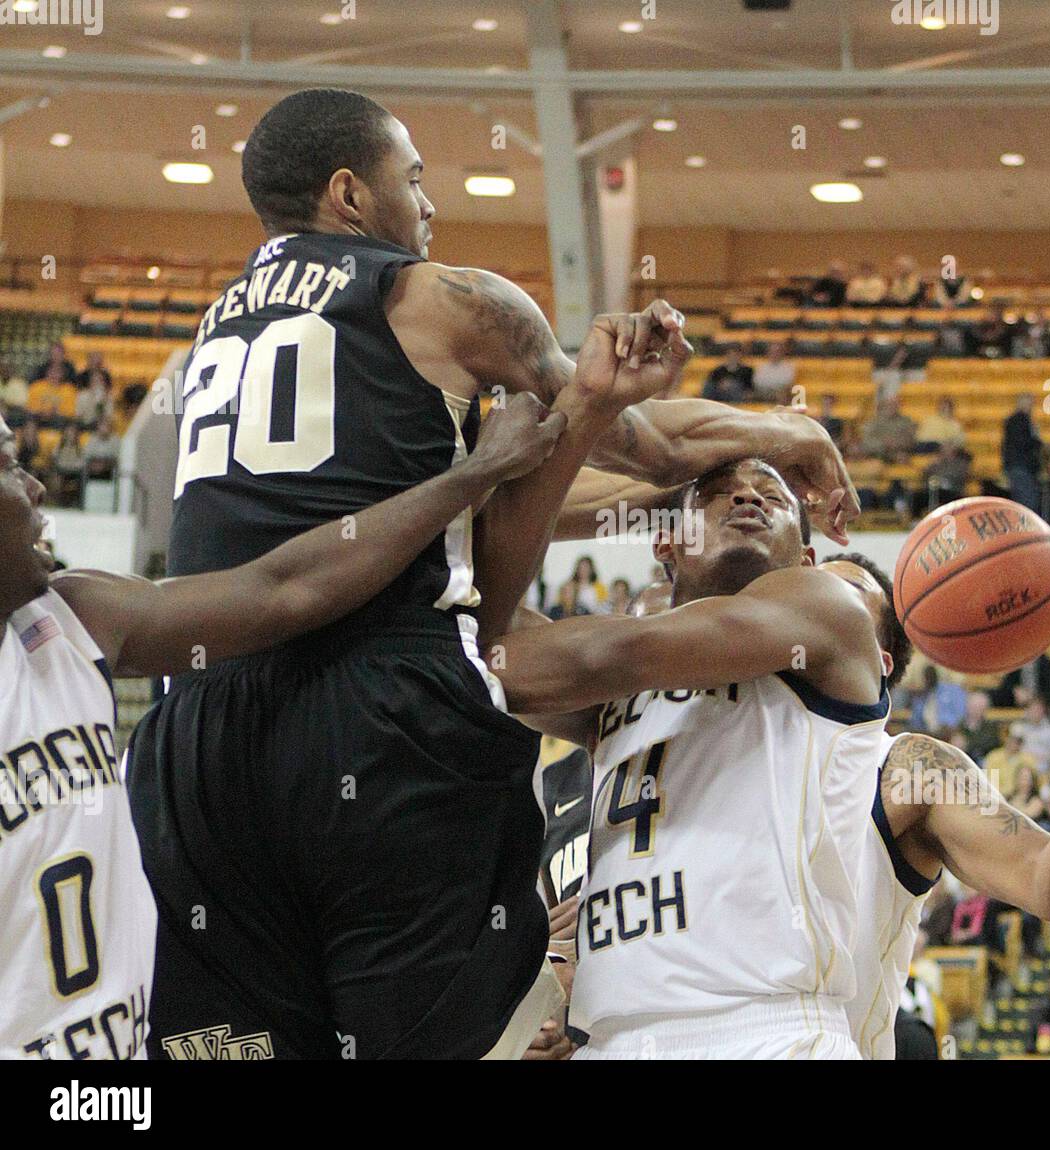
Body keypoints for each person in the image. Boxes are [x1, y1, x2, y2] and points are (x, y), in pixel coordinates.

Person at [127, 88, 856, 1063]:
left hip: (195, 736)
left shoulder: (209, 337)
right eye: (413, 178)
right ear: (350, 192)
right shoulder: (450, 298)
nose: (428, 204)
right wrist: (784, 430)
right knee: (504, 1030)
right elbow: (634, 443)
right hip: (379, 707)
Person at [494, 458, 1050, 1057]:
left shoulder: (906, 765)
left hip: (777, 1029)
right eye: (721, 492)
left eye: (771, 491)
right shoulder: (628, 693)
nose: (748, 498)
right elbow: (478, 640)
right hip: (617, 1035)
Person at [0, 397, 566, 1058]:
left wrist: (474, 476)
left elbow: (284, 590)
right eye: (11, 467)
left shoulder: (71, 617)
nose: (37, 485)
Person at [1001, 394, 1043, 514]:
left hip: (1018, 465)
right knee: (1027, 501)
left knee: (1024, 499)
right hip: (1021, 465)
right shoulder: (1019, 421)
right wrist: (1036, 440)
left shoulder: (1017, 420)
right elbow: (1023, 442)